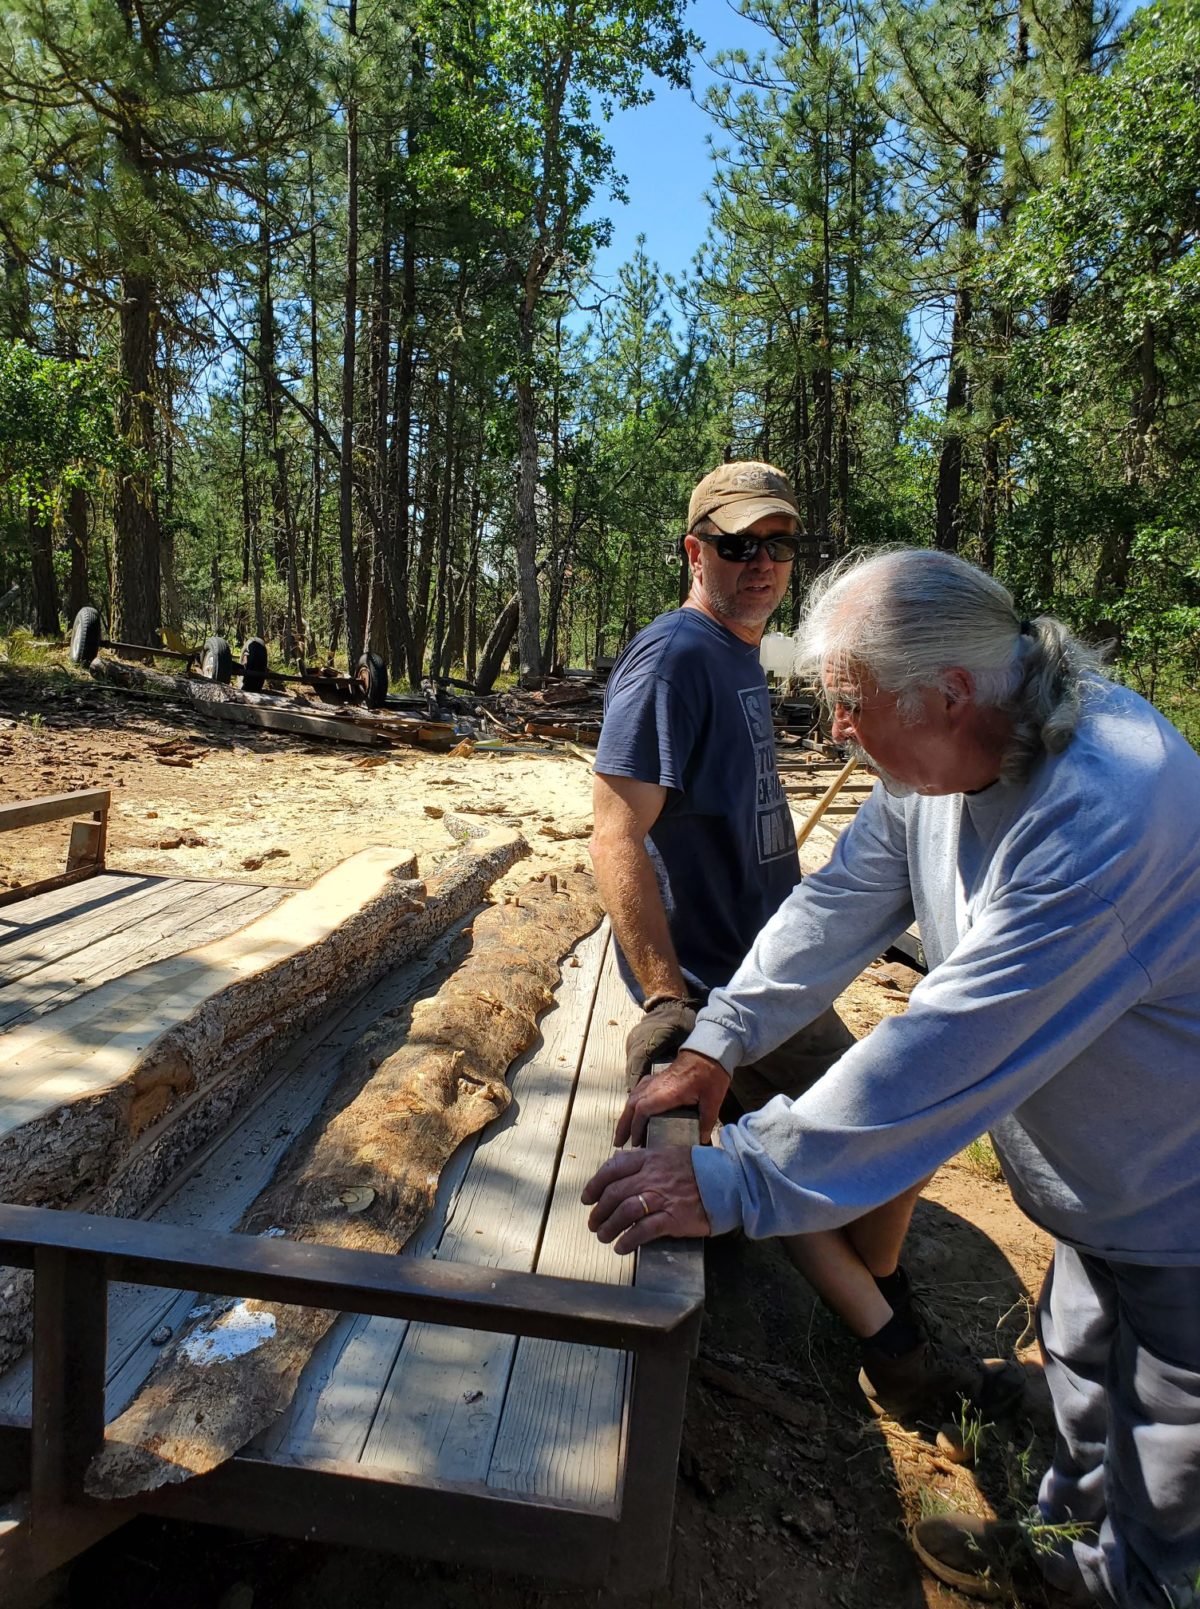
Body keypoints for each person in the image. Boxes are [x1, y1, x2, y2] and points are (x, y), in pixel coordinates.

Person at [583, 547, 1200, 1608]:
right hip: (1109, 1187)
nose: (835, 731)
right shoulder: (945, 760)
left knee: (1174, 1452)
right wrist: (714, 1040)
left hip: (1181, 1197)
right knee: (1087, 1376)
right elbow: (836, 911)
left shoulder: (1109, 805)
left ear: (949, 693)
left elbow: (948, 1049)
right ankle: (1066, 1561)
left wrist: (738, 1180)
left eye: (849, 704)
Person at [590, 468, 1015, 1423]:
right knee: (877, 1138)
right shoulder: (673, 658)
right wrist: (668, 999)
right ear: (695, 549)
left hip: (773, 963)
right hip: (719, 977)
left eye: (778, 546)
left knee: (809, 1141)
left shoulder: (741, 653)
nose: (762, 566)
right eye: (738, 546)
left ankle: (867, 1289)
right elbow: (614, 832)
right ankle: (892, 1341)